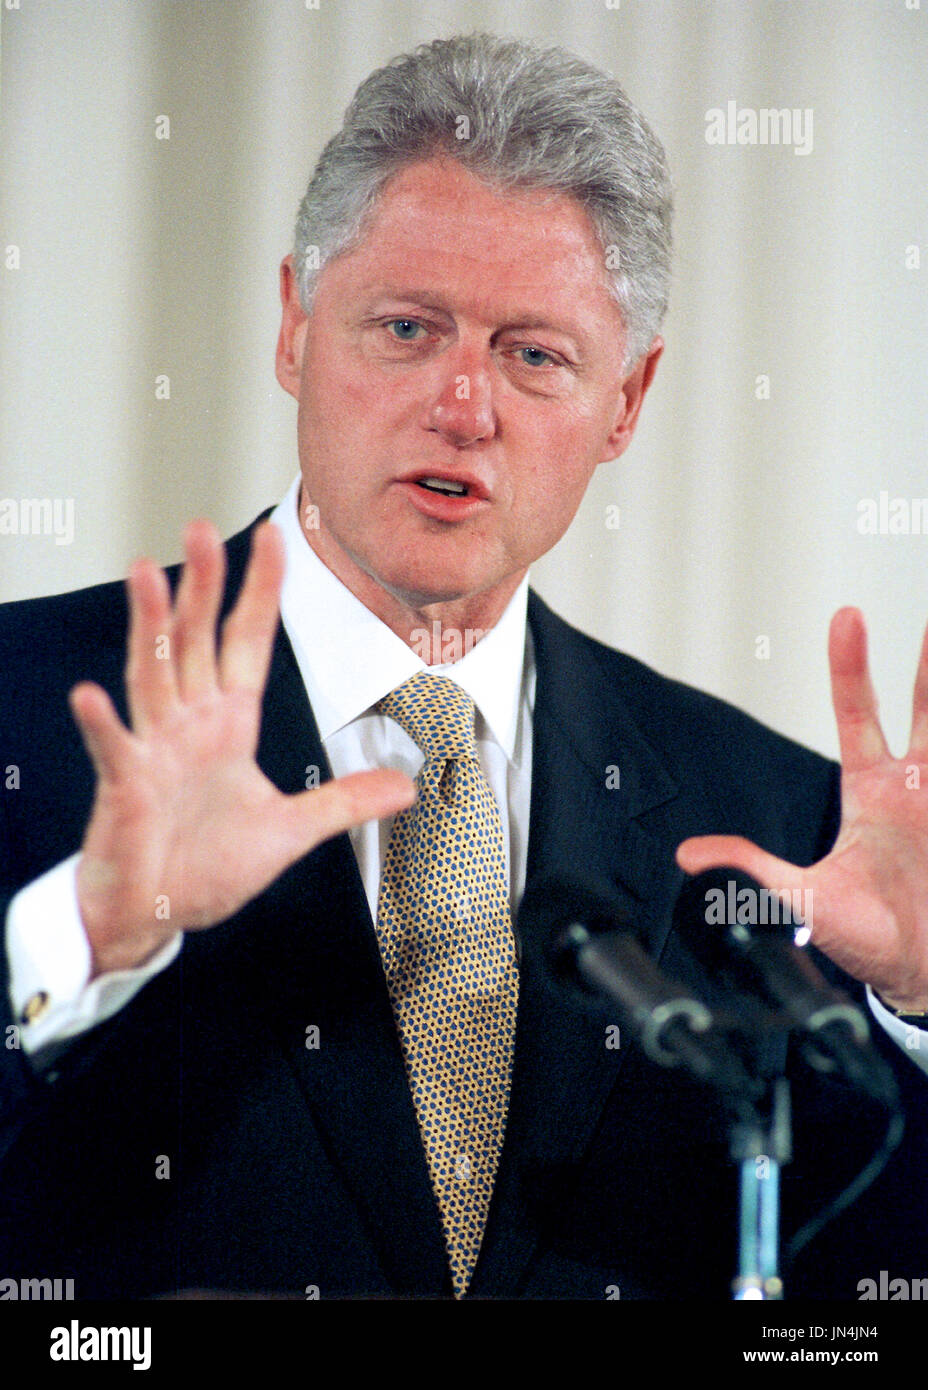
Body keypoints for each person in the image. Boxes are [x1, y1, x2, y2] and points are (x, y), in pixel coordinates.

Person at [2, 32, 927, 1302]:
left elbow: (848, 1296)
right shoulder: (26, 707)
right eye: (405, 327)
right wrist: (82, 944)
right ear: (293, 326)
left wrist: (916, 1014)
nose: (463, 405)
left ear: (627, 402)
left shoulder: (772, 826)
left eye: (533, 354)